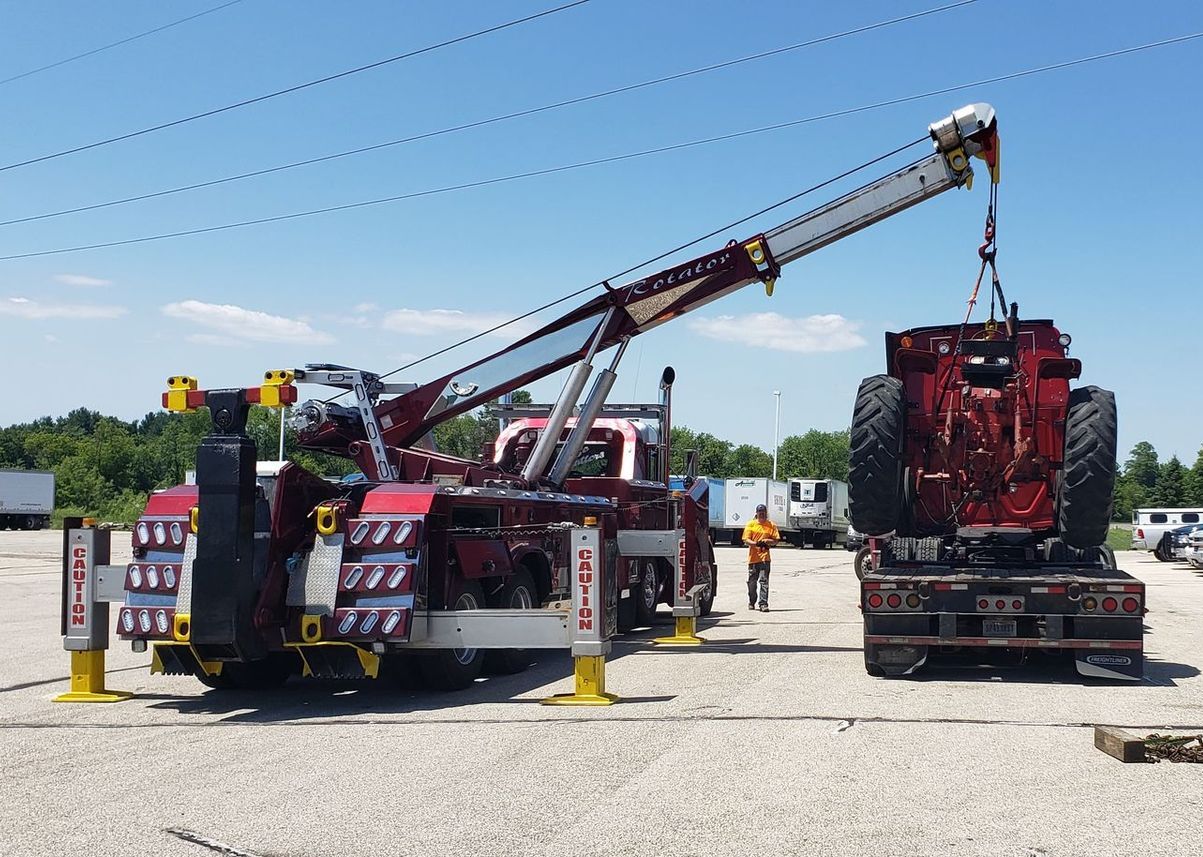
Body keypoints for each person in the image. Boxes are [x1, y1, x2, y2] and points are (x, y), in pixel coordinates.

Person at [742, 503, 780, 612]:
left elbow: (776, 540)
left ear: (766, 513)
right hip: (753, 559)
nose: (762, 514)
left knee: (764, 581)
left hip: (765, 559)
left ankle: (763, 604)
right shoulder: (751, 524)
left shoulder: (771, 525)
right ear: (756, 513)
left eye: (763, 512)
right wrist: (756, 544)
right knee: (752, 582)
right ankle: (752, 601)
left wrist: (767, 541)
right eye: (760, 512)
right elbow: (746, 539)